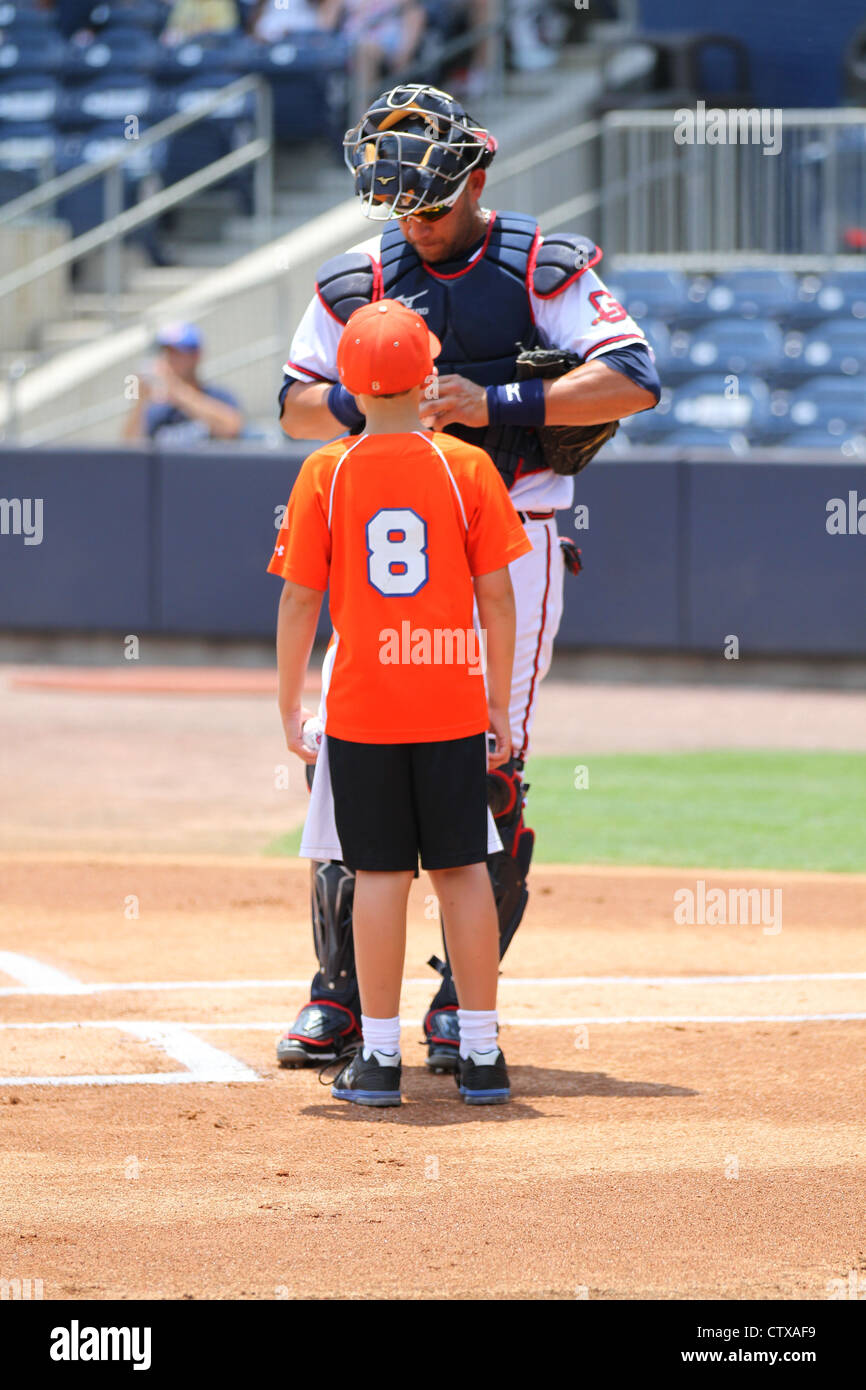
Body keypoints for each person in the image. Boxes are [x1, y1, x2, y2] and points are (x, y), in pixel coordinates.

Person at [275, 82, 660, 1074]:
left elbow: (631, 374)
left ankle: (459, 1001)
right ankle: (339, 995)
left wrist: (490, 401)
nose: (415, 221)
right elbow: (292, 403)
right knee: (344, 763)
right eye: (400, 205)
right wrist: (384, 408)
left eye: (432, 203)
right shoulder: (361, 277)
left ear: (476, 177)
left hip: (514, 533)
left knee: (489, 767)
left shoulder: (541, 262)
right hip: (385, 544)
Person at [268, 298, 531, 1105]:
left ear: (346, 379)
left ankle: (378, 1059)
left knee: (379, 875)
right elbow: (497, 599)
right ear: (428, 374)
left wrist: (289, 706)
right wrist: (496, 706)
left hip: (363, 708)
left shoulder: (326, 470)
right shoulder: (467, 466)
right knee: (463, 874)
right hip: (450, 700)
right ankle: (481, 1053)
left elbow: (299, 604)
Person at [123, 322, 244, 445]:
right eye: (167, 353)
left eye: (177, 354)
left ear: (196, 355)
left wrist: (177, 390)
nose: (170, 360)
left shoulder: (218, 395)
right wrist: (140, 402)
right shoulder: (158, 410)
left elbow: (232, 428)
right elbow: (130, 448)